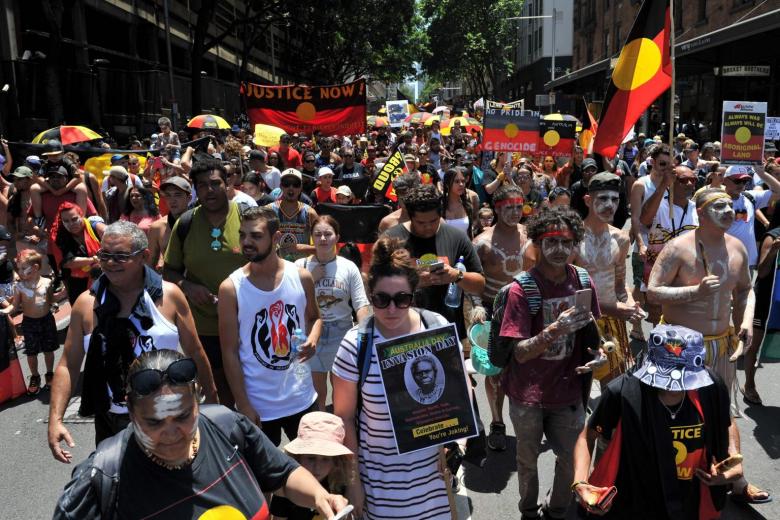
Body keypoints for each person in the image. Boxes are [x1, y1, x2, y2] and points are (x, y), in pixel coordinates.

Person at [54, 350, 349, 519]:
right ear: (130, 412)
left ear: (197, 401)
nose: (171, 432)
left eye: (183, 416)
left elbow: (281, 475)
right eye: (154, 422)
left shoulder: (226, 426)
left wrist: (320, 496)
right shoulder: (103, 476)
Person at [48, 221, 217, 458]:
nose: (110, 263)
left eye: (120, 256)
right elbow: (68, 365)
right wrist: (55, 420)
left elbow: (195, 352)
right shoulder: (86, 304)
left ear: (143, 256)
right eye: (105, 255)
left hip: (168, 418)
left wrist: (212, 402)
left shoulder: (169, 296)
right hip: (112, 421)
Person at [647, 188, 771, 504]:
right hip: (678, 345)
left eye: (730, 205)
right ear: (700, 212)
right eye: (719, 206)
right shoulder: (678, 248)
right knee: (673, 413)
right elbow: (653, 291)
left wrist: (745, 322)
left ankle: (737, 479)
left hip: (719, 344)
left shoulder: (737, 247)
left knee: (724, 410)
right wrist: (694, 292)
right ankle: (667, 477)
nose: (728, 210)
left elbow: (745, 290)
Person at [332, 237, 454, 519]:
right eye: (381, 299)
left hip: (435, 483)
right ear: (369, 294)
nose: (391, 309)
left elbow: (459, 394)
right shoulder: (355, 344)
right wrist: (353, 483)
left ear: (413, 294)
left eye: (401, 299)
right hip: (380, 487)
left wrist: (456, 443)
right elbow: (344, 418)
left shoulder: (436, 329)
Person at [496, 206, 602, 520]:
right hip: (527, 396)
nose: (559, 249)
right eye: (551, 242)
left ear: (575, 245)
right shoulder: (522, 289)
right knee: (527, 462)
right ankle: (529, 511)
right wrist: (555, 329)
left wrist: (599, 355)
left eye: (566, 242)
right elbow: (519, 353)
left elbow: (593, 332)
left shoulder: (582, 281)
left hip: (568, 393)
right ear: (538, 244)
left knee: (572, 460)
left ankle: (557, 510)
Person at [573, 325, 739, 519]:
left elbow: (726, 420)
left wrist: (734, 457)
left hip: (691, 501)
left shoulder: (710, 386)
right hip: (635, 500)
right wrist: (580, 482)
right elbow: (587, 436)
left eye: (685, 379)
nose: (674, 387)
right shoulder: (622, 393)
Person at [218, 207, 321, 445]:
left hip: (302, 398)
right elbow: (229, 352)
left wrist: (313, 338)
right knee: (264, 470)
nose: (246, 242)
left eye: (256, 236)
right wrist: (243, 404)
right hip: (258, 406)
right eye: (242, 235)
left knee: (312, 463)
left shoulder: (301, 277)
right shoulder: (231, 288)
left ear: (275, 238)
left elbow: (315, 318)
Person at [164, 159, 246, 407]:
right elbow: (169, 271)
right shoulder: (185, 223)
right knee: (217, 392)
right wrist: (187, 286)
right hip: (204, 327)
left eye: (215, 183)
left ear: (227, 183)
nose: (209, 190)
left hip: (247, 323)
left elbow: (270, 265)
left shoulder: (247, 217)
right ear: (195, 190)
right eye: (202, 185)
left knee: (251, 391)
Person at [470, 185, 535, 451]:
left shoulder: (531, 236)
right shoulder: (481, 242)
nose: (515, 212)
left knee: (526, 367)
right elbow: (472, 278)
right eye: (509, 207)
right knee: (494, 371)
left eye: (519, 207)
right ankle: (497, 422)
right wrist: (477, 307)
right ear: (497, 209)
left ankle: (528, 421)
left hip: (527, 310)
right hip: (494, 310)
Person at [383, 183, 485, 343]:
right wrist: (411, 282)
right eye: (421, 223)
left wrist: (456, 276)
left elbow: (479, 285)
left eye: (434, 221)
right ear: (410, 216)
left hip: (448, 331)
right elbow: (376, 287)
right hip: (403, 332)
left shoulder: (456, 237)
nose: (428, 227)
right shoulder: (391, 239)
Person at [296, 216, 370, 410]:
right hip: (312, 332)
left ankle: (342, 424)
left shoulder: (348, 267)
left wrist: (365, 334)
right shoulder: (300, 266)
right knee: (317, 393)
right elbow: (291, 301)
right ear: (312, 237)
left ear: (337, 237)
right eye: (318, 234)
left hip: (341, 332)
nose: (323, 239)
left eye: (328, 234)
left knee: (342, 393)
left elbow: (361, 304)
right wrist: (311, 278)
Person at [573, 173, 640, 384]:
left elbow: (620, 285)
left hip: (612, 323)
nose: (610, 205)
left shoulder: (621, 238)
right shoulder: (573, 239)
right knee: (578, 386)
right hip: (580, 322)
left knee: (614, 385)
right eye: (602, 198)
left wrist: (630, 304)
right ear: (588, 200)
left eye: (615, 199)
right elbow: (568, 291)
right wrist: (613, 308)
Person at [640, 165, 699, 325]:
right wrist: (663, 185)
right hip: (659, 272)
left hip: (688, 274)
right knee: (659, 322)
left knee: (685, 322)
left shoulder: (697, 209)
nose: (689, 183)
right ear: (671, 182)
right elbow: (644, 219)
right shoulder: (659, 206)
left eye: (693, 180)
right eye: (683, 180)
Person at [271, 411, 356, 520]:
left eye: (325, 459)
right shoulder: (287, 487)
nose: (317, 467)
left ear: (336, 461)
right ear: (298, 456)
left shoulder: (340, 486)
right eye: (311, 458)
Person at [3, 249, 57, 395]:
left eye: (23, 268)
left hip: (47, 320)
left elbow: (51, 299)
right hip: (29, 323)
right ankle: (35, 376)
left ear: (35, 267)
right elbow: (14, 306)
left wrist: (60, 297)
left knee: (49, 350)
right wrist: (5, 310)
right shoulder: (19, 287)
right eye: (18, 269)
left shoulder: (47, 282)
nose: (19, 272)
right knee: (31, 353)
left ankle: (50, 374)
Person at [743, 224, 780, 405]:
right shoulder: (772, 237)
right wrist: (773, 251)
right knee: (754, 343)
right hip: (767, 299)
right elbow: (763, 271)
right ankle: (749, 384)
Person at [722, 163, 780, 269]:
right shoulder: (715, 200)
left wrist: (762, 173)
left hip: (748, 261)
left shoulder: (750, 197)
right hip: (724, 261)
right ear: (725, 180)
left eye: (745, 181)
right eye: (737, 181)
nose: (741, 184)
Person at [50, 201, 105, 305]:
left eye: (74, 219)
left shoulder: (94, 226)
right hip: (77, 281)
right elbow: (68, 262)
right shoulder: (59, 235)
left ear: (82, 215)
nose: (71, 224)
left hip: (103, 275)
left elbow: (112, 236)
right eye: (66, 221)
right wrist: (94, 259)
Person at [266, 168, 318, 262]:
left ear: (301, 187)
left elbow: (323, 247)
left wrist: (301, 248)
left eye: (295, 184)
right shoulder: (269, 211)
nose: (291, 188)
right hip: (275, 266)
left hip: (301, 267)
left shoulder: (310, 213)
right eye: (286, 184)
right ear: (281, 186)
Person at [148, 176, 191, 269]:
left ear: (189, 198)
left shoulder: (199, 222)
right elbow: (150, 264)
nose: (172, 200)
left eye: (177, 195)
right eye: (168, 195)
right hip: (170, 276)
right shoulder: (157, 227)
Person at [442, 167, 478, 238]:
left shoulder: (467, 204)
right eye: (456, 181)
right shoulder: (440, 205)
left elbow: (474, 221)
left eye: (463, 181)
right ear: (447, 184)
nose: (461, 184)